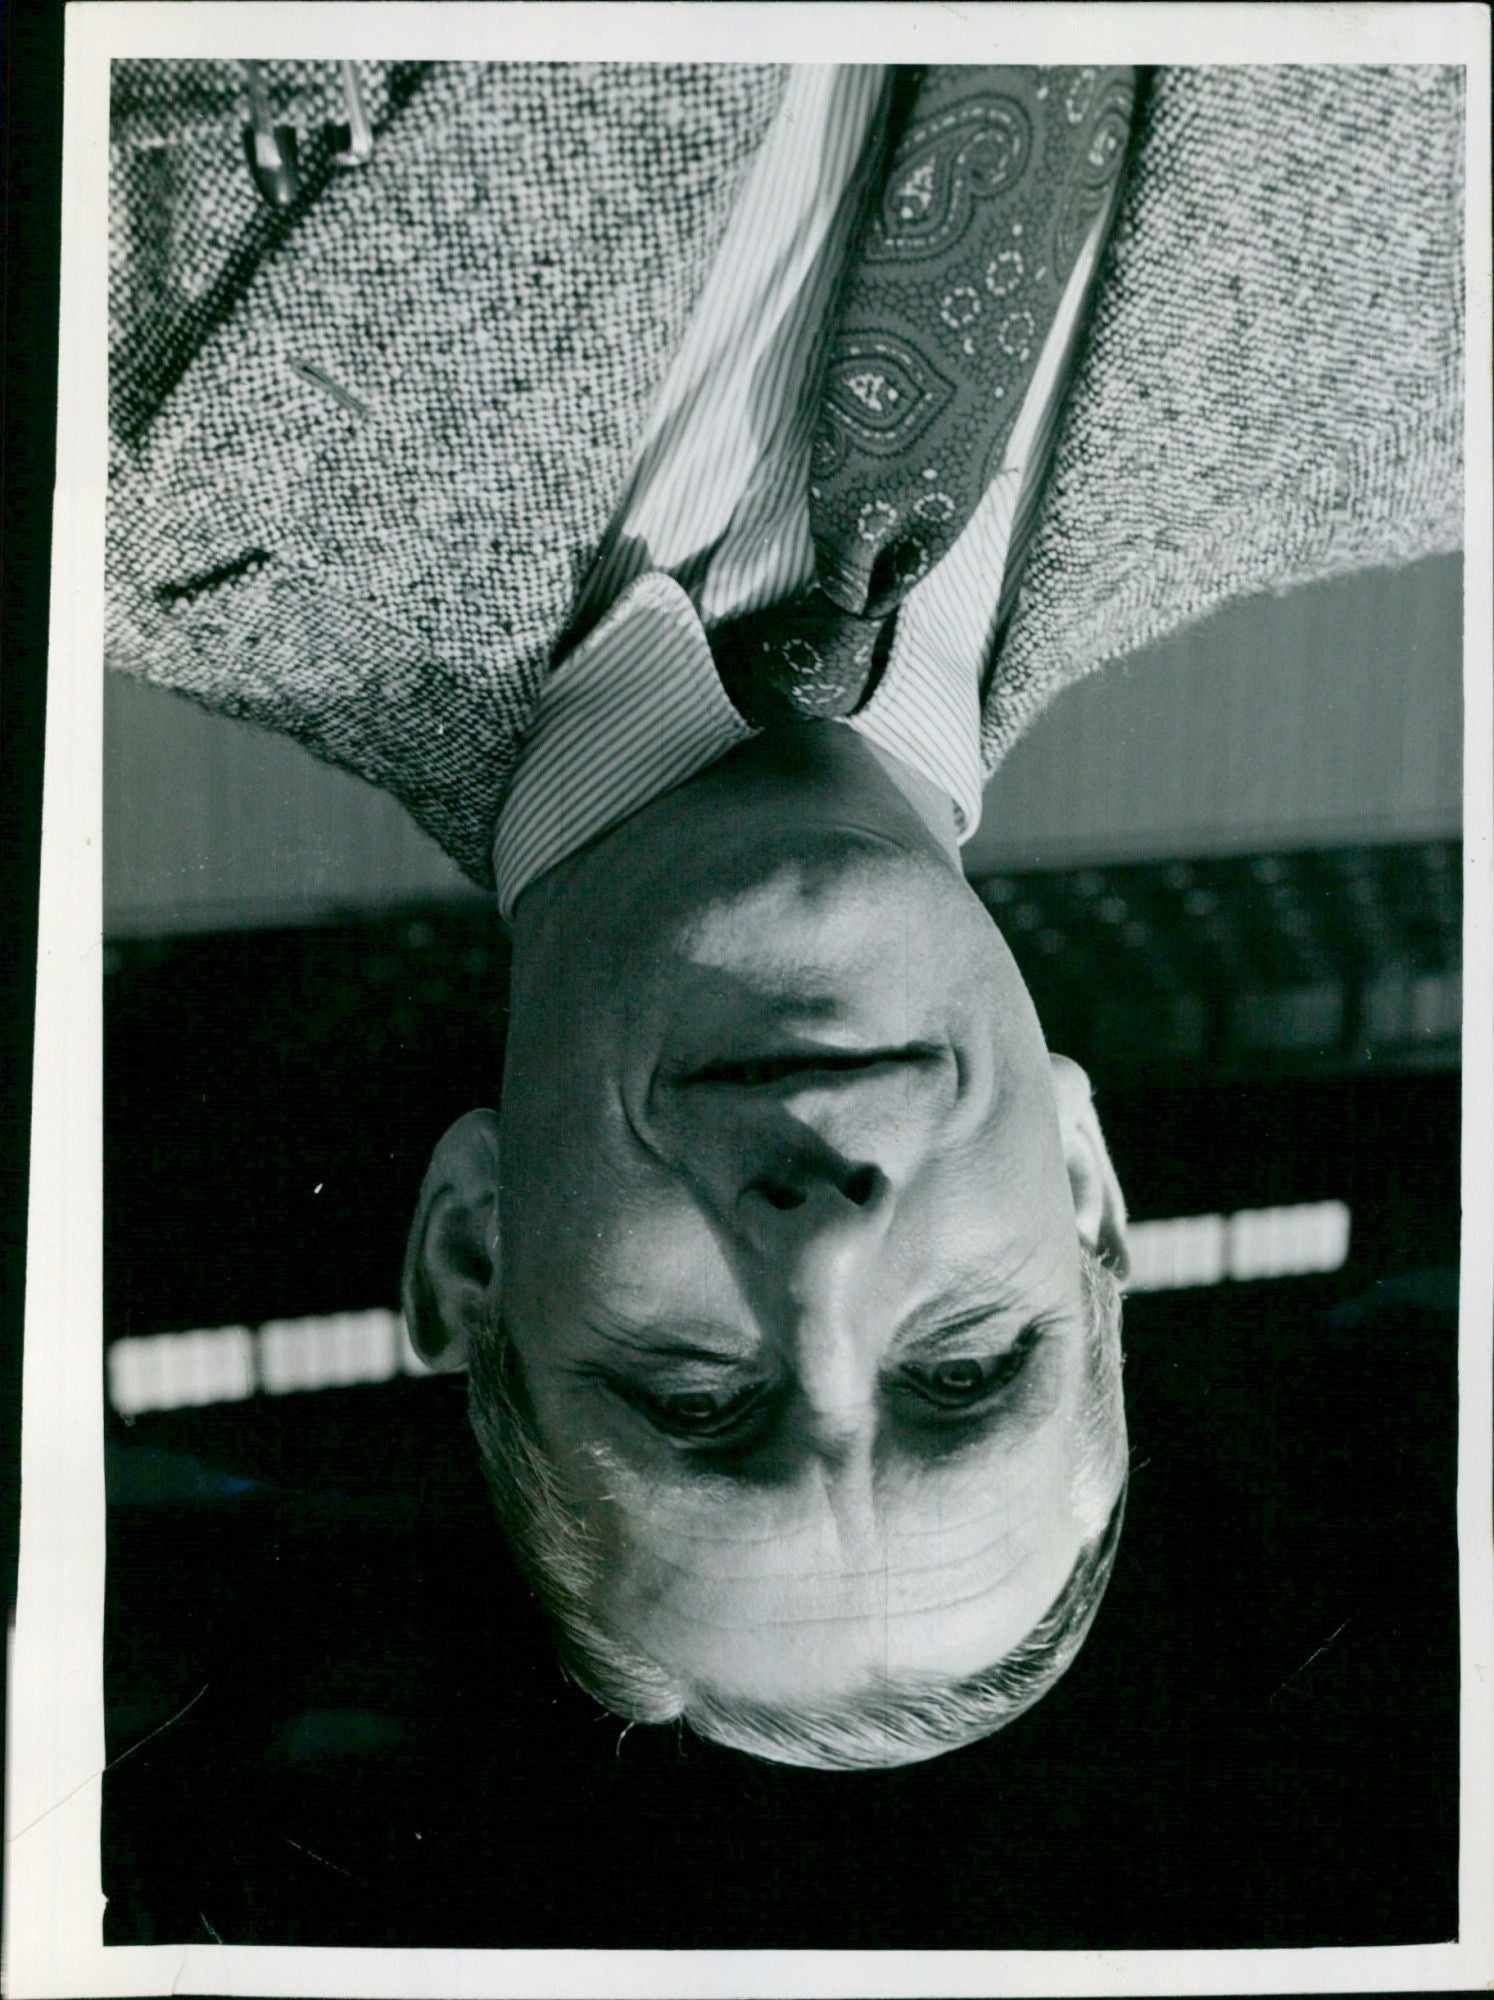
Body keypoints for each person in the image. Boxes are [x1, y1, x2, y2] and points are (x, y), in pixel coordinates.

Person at [105, 60, 1464, 1767]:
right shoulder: (1436, 346)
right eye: (962, 1370)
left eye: (696, 1396)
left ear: (474, 1247)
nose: (823, 1254)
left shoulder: (106, 427)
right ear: (1080, 1187)